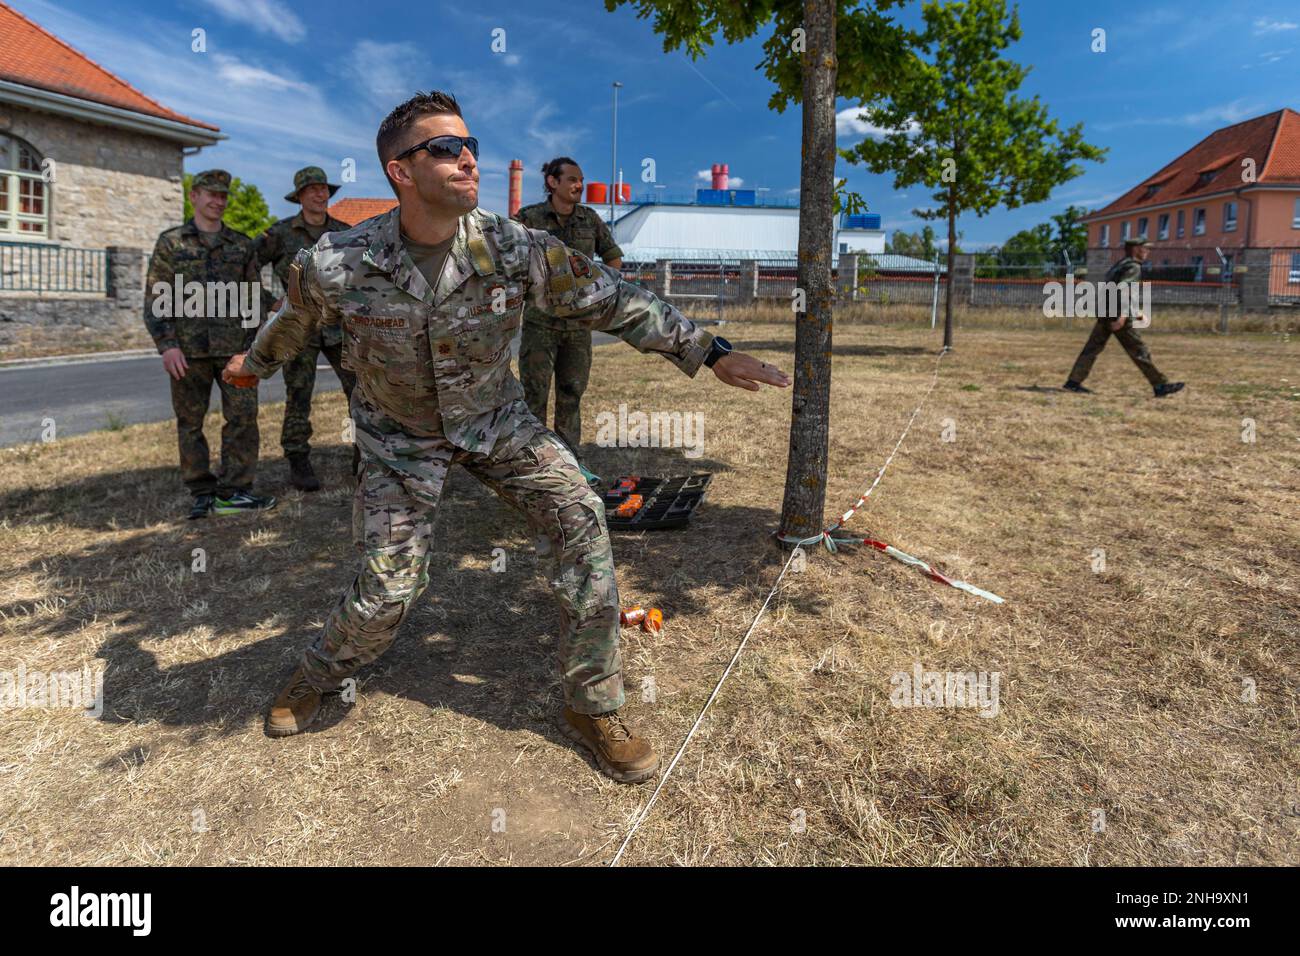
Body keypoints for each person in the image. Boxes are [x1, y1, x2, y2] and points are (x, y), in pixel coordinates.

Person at [221, 91, 787, 783]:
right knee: (389, 594)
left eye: (471, 147)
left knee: (581, 519)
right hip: (399, 439)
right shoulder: (334, 261)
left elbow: (613, 298)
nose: (467, 159)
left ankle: (592, 703)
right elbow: (293, 321)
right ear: (400, 171)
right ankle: (320, 671)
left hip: (497, 422)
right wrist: (252, 365)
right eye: (445, 148)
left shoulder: (513, 247)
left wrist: (708, 349)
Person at [144, 169, 277, 520]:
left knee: (243, 419)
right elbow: (157, 297)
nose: (217, 201)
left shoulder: (240, 244)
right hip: (187, 353)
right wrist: (167, 345)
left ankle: (234, 491)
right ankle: (201, 492)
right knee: (190, 423)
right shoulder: (172, 243)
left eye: (222, 196)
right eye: (210, 194)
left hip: (235, 351)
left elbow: (253, 298)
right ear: (194, 196)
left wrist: (253, 349)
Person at [513, 157, 623, 476]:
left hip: (578, 326)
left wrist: (599, 287)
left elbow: (614, 258)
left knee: (571, 393)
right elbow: (505, 255)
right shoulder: (529, 218)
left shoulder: (590, 219)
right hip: (539, 324)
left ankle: (569, 461)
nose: (580, 185)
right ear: (552, 182)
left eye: (581, 179)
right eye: (572, 179)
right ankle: (532, 462)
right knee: (534, 394)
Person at [253, 166, 356, 490]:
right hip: (299, 327)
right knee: (299, 394)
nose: (319, 194)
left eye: (323, 188)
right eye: (312, 189)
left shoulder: (343, 233)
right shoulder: (280, 234)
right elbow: (244, 266)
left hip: (339, 326)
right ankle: (298, 459)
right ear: (299, 196)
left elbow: (363, 273)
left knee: (361, 392)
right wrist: (269, 302)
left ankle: (365, 455)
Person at [1064, 237, 1185, 398]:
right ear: (1136, 249)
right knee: (1138, 349)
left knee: (1092, 348)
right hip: (1116, 313)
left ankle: (1073, 381)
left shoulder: (1120, 264)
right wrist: (1122, 315)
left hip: (1106, 311)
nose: (1147, 251)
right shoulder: (1133, 267)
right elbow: (1123, 290)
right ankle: (1160, 384)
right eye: (1145, 248)